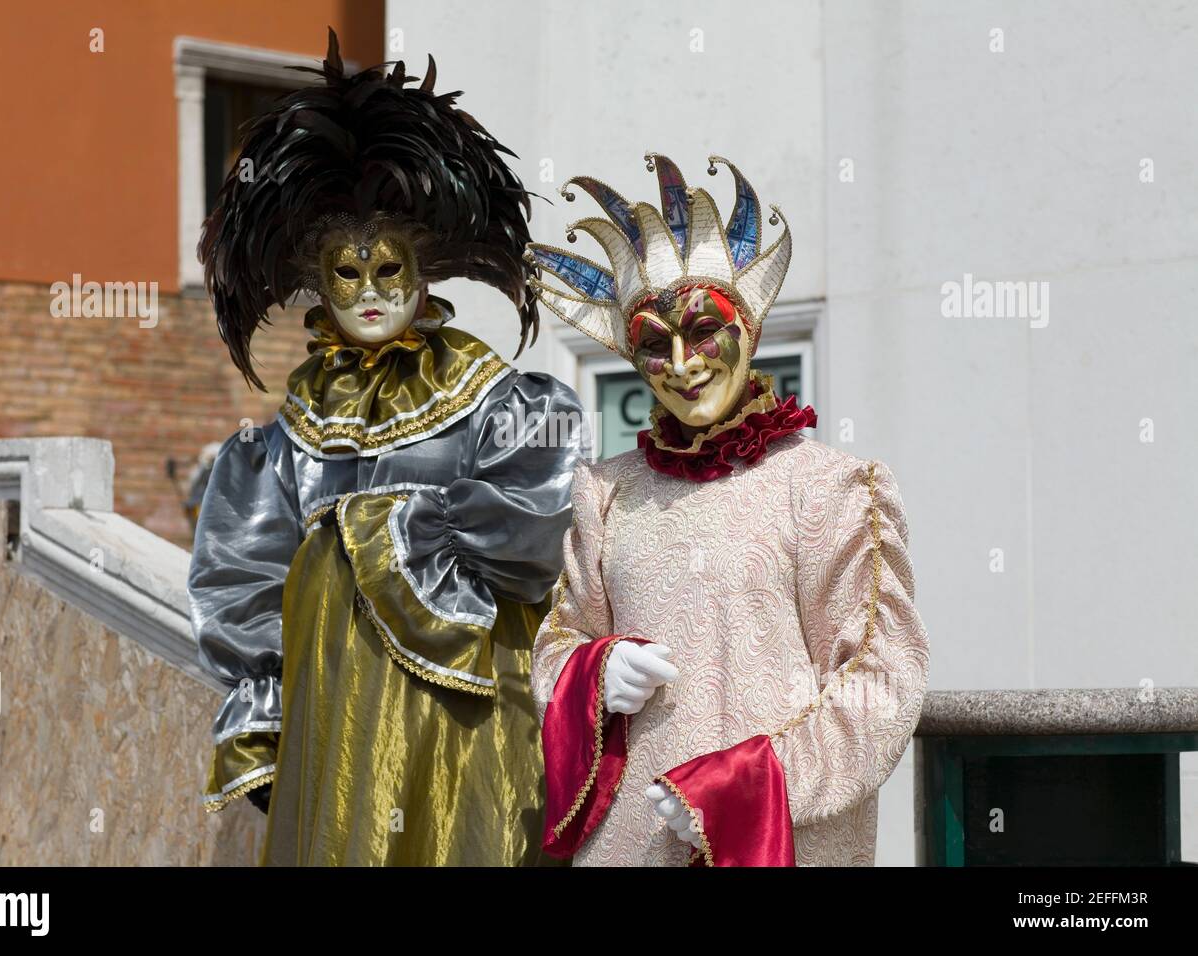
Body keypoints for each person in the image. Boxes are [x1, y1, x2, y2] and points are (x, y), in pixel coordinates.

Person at [190, 28, 585, 865]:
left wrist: (371, 531)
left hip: (464, 719)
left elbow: (530, 539)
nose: (369, 293)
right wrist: (263, 722)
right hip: (334, 722)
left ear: (426, 270)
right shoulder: (285, 440)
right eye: (346, 272)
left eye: (389, 270)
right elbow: (245, 586)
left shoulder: (496, 401)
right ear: (316, 281)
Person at [527, 154, 929, 866]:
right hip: (629, 846)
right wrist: (593, 672)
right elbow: (559, 641)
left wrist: (741, 788)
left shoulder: (833, 490)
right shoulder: (605, 495)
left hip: (783, 842)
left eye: (703, 330)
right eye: (655, 342)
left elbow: (879, 684)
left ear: (751, 327)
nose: (683, 363)